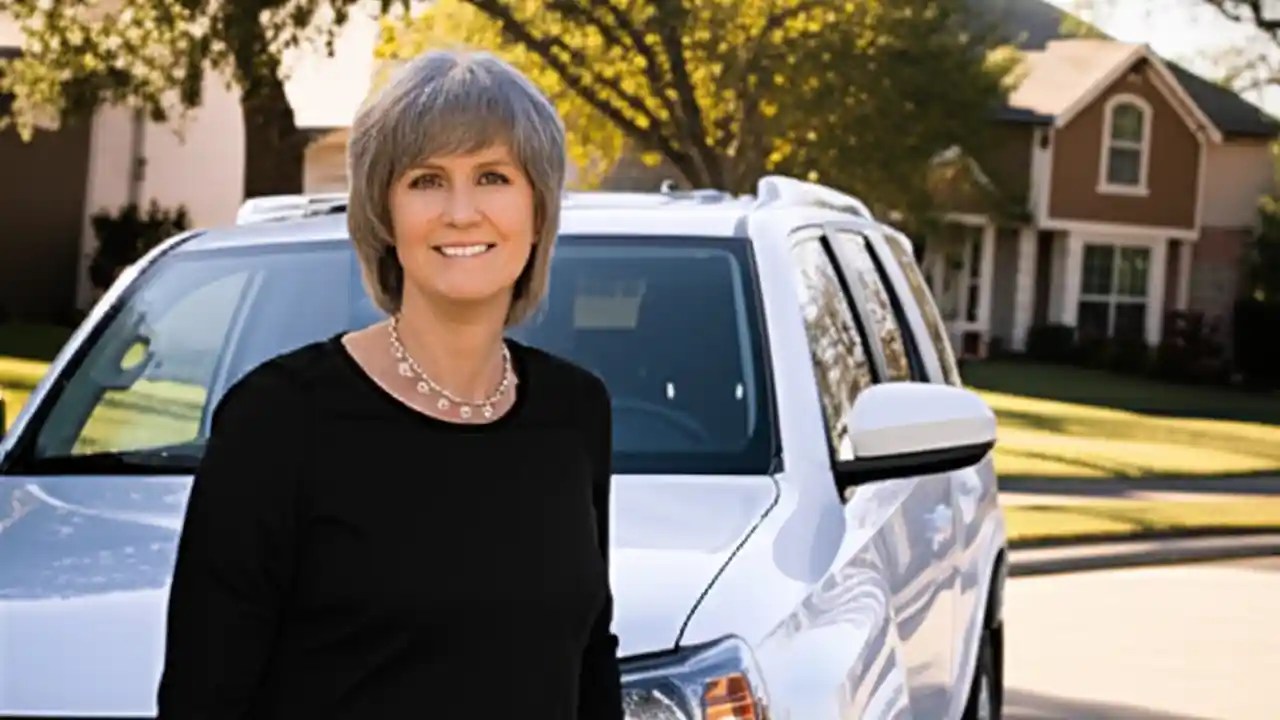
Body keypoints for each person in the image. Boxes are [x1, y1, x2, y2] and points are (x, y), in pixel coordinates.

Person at [156, 50, 624, 719]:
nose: (461, 212)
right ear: (384, 213)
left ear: (538, 209)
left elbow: (588, 662)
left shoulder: (576, 412)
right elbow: (204, 700)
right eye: (427, 180)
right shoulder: (279, 421)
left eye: (493, 176)